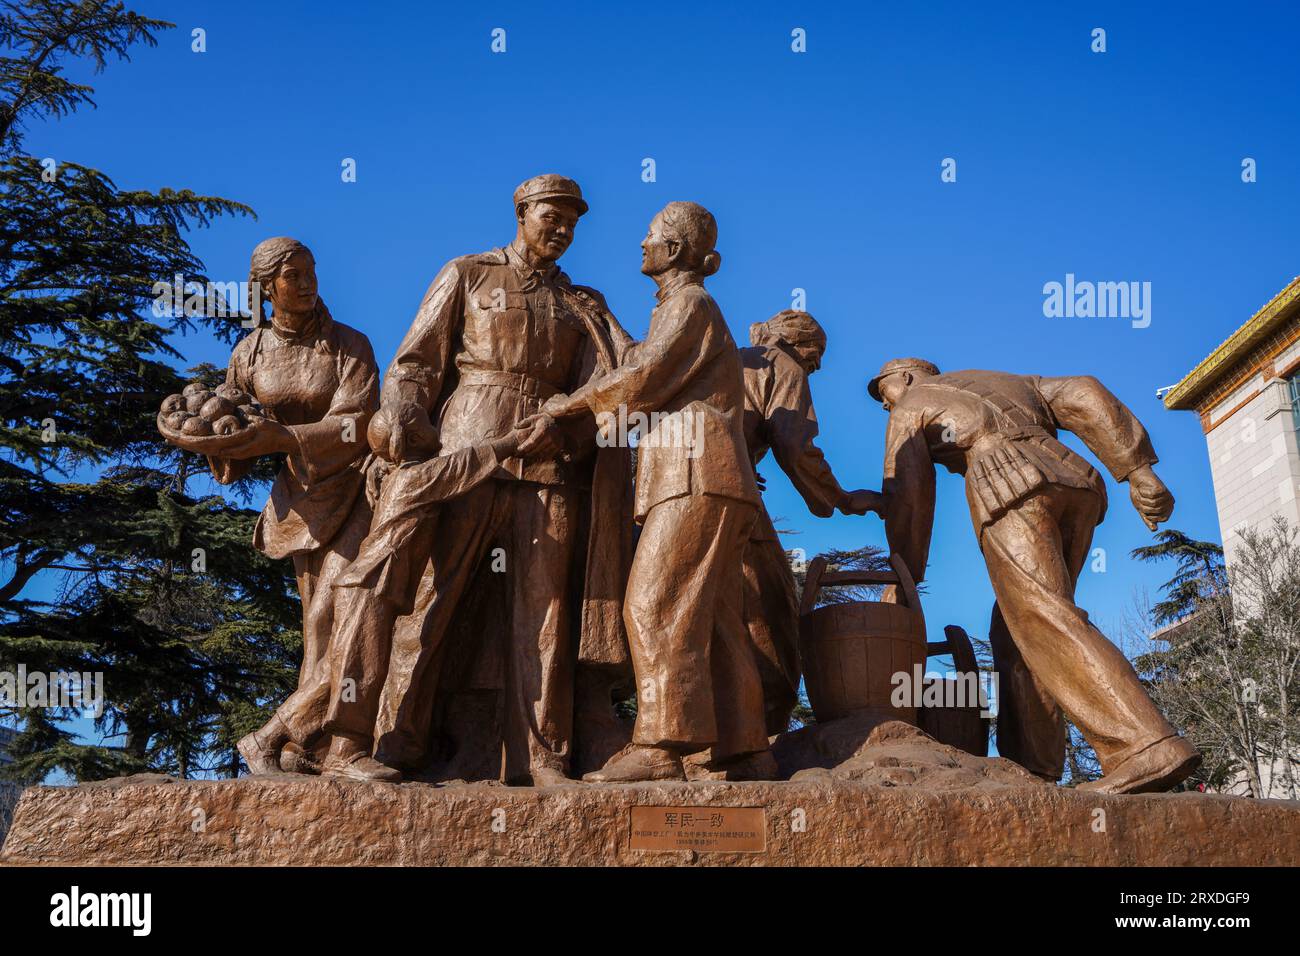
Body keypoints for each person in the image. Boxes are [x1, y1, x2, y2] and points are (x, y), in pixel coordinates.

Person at [325, 174, 633, 784]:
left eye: (574, 220)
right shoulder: (468, 273)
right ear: (522, 212)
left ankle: (542, 757)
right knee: (430, 600)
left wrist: (569, 431)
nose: (564, 228)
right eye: (553, 215)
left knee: (545, 615)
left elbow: (608, 388)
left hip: (548, 463)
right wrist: (403, 418)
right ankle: (392, 744)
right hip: (467, 449)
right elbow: (415, 363)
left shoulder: (582, 302)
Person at [866, 357, 1200, 794]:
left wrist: (902, 575)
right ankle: (1034, 767)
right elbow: (1083, 390)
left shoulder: (912, 403)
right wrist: (1138, 470)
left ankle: (1146, 745)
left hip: (1008, 480)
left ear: (905, 378)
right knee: (1016, 627)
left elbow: (910, 496)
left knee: (1043, 616)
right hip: (1075, 481)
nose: (886, 406)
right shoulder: (1008, 380)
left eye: (884, 394)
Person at [532, 201, 773, 782]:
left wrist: (572, 404)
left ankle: (662, 743)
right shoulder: (682, 310)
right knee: (712, 615)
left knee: (653, 602)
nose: (641, 245)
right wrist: (601, 318)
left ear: (674, 250)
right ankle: (747, 748)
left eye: (650, 236)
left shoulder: (690, 303)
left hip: (694, 473)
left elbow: (644, 376)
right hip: (709, 477)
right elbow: (642, 358)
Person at [157, 237, 379, 776]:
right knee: (316, 626)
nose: (307, 285)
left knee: (343, 612)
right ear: (266, 287)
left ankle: (318, 739)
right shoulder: (249, 352)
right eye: (294, 277)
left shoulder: (350, 346)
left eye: (311, 273)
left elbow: (359, 424)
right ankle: (308, 745)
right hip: (298, 501)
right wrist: (222, 450)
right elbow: (234, 422)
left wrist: (283, 437)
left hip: (356, 488)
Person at [739, 310, 879, 733]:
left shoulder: (731, 358)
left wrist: (741, 458)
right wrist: (839, 498)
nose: (815, 368)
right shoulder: (780, 365)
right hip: (728, 497)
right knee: (773, 608)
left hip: (670, 494)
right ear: (796, 345)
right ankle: (761, 731)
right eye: (815, 356)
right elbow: (794, 443)